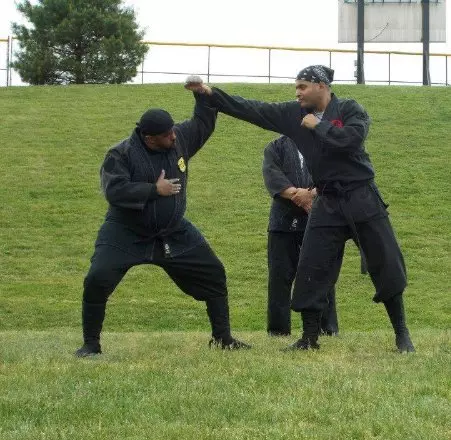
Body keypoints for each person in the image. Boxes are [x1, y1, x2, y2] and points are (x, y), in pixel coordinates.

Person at [185, 66, 415, 353]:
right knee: (312, 265)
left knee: (386, 262)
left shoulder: (349, 109)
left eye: (302, 86)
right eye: (296, 87)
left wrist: (317, 126)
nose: (297, 92)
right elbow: (254, 109)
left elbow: (352, 140)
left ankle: (402, 335)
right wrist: (211, 94)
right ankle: (309, 338)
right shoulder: (294, 114)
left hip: (362, 197)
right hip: (327, 202)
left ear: (321, 86)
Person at [75, 86, 251, 357]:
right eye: (166, 135)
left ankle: (223, 338)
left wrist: (202, 96)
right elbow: (114, 190)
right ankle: (90, 345)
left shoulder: (177, 139)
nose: (173, 136)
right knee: (97, 278)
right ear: (148, 138)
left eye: (172, 131)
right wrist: (153, 190)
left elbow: (202, 124)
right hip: (126, 232)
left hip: (173, 231)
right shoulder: (120, 154)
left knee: (214, 273)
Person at [263, 135, 338, 337]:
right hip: (281, 223)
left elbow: (331, 176)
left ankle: (327, 328)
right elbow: (272, 177)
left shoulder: (323, 146)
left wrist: (310, 194)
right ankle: (278, 331)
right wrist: (299, 195)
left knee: (322, 275)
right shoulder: (275, 148)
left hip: (316, 221)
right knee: (279, 277)